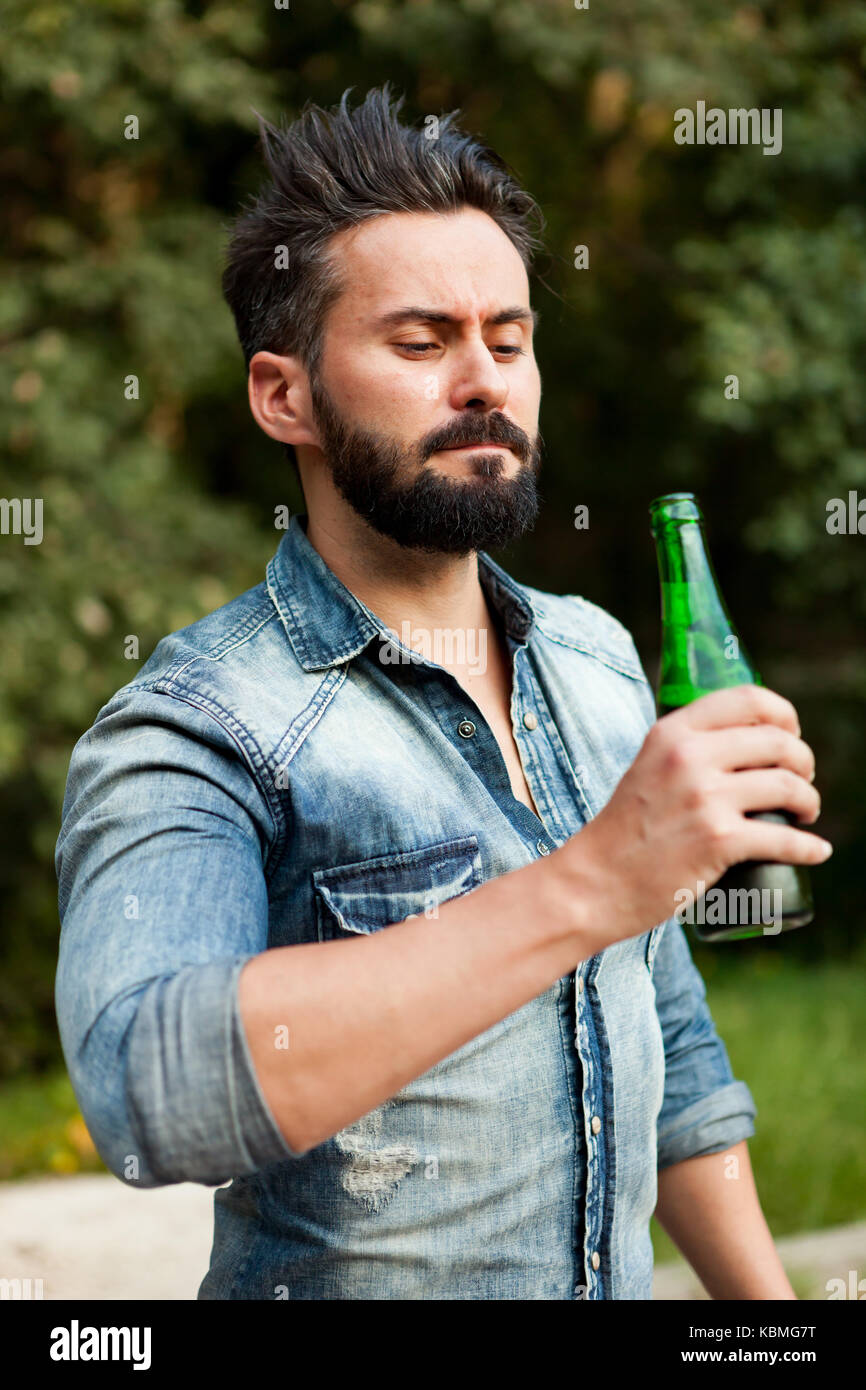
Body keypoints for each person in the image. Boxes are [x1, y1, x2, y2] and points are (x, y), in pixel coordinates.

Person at [54, 85, 831, 1301]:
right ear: (284, 395)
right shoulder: (198, 724)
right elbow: (149, 1094)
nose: (482, 382)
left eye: (508, 341)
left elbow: (664, 1037)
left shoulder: (595, 659)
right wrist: (589, 882)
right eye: (419, 344)